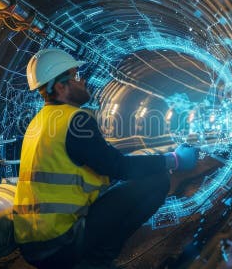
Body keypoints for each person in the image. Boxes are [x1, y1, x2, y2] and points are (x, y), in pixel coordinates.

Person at [13, 48, 199, 269]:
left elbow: (102, 163)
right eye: (76, 77)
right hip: (60, 242)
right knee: (156, 180)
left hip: (32, 243)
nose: (83, 82)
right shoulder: (74, 120)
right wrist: (173, 160)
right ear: (61, 86)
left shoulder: (39, 122)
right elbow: (119, 167)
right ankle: (96, 262)